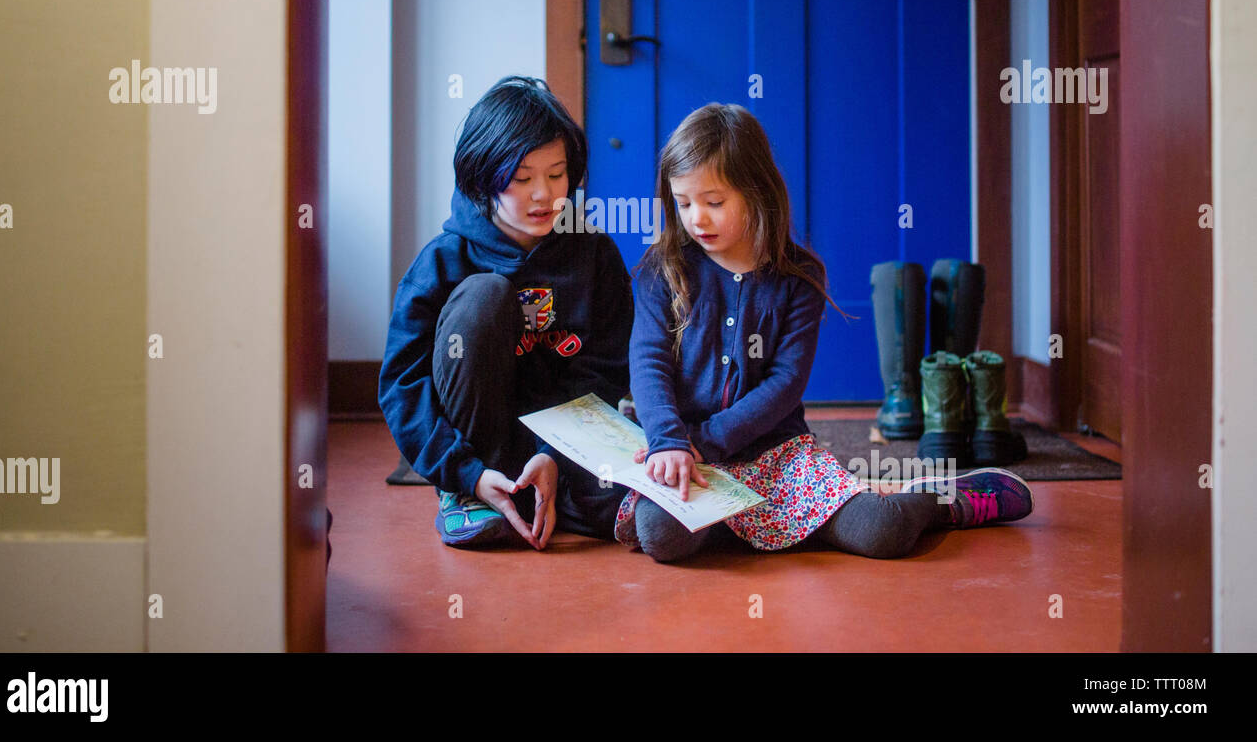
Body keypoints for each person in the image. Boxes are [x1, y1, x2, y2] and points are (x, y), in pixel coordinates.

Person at [615, 103, 1034, 562]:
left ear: (757, 191)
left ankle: (940, 500)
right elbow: (648, 360)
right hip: (679, 449)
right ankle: (758, 526)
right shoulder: (664, 269)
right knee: (660, 536)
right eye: (684, 202)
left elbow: (785, 383)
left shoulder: (799, 277)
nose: (697, 218)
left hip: (773, 454)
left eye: (714, 202)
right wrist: (670, 440)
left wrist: (707, 441)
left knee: (882, 531)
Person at [378, 77, 632, 549]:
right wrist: (467, 473)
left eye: (557, 175)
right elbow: (403, 385)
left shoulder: (595, 255)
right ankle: (472, 497)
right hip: (475, 451)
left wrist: (552, 456)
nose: (543, 195)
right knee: (483, 298)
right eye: (521, 178)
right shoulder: (442, 261)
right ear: (482, 177)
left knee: (647, 507)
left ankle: (544, 494)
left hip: (561, 450)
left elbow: (605, 371)